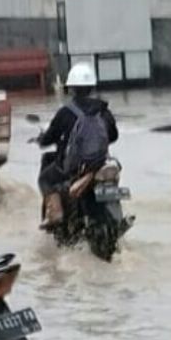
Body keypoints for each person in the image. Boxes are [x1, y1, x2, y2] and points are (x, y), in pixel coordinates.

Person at [37, 62, 118, 228]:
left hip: (74, 167)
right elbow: (114, 136)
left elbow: (49, 138)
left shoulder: (66, 112)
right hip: (99, 164)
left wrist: (41, 139)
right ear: (92, 87)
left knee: (45, 178)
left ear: (72, 88)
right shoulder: (103, 110)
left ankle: (56, 213)